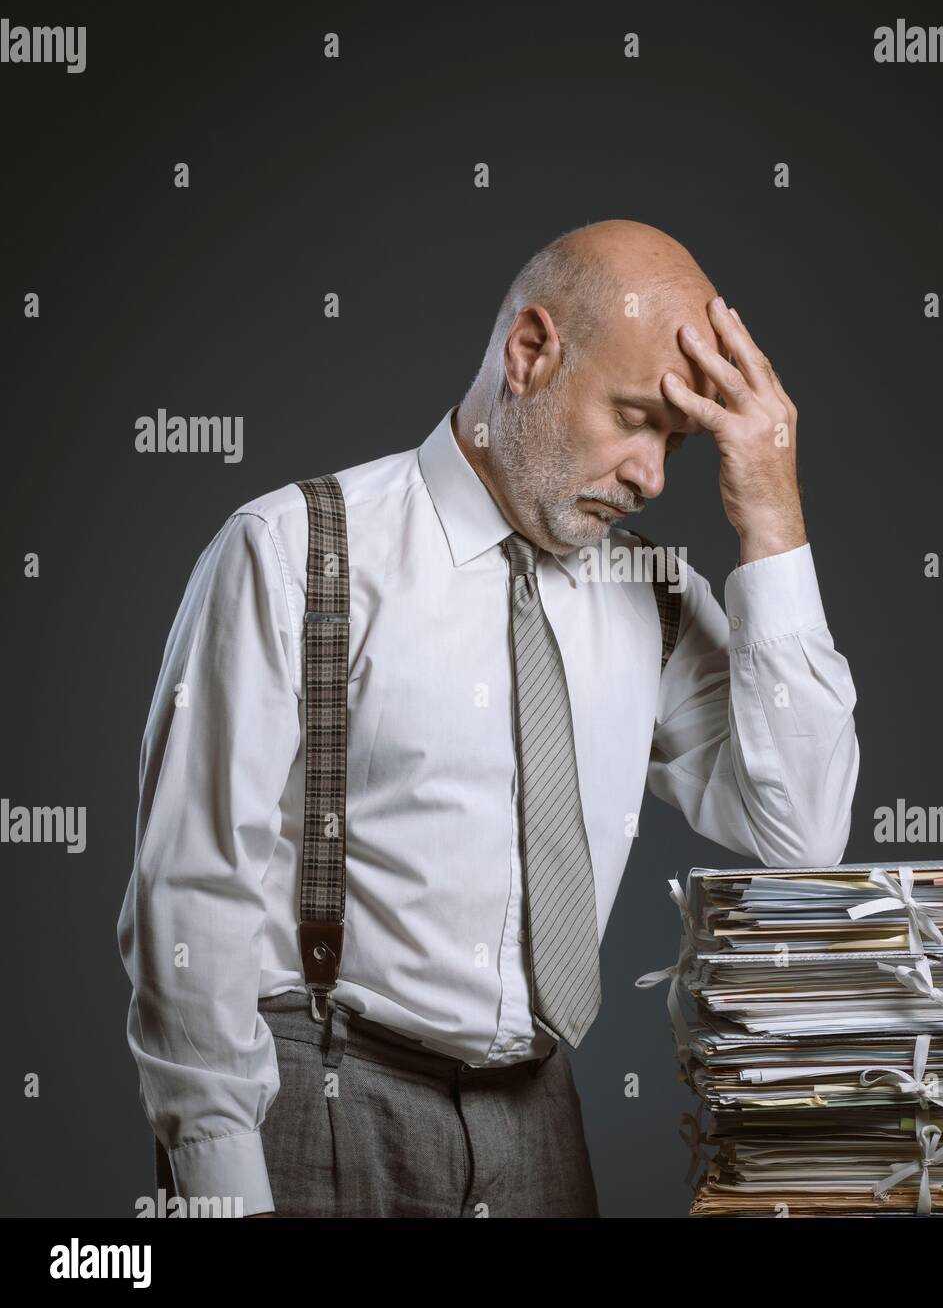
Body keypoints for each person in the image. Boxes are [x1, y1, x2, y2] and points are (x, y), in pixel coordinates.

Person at [116, 218, 861, 1217]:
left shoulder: (651, 590)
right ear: (528, 352)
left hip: (541, 1125)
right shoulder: (294, 549)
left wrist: (770, 510)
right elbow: (190, 893)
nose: (652, 475)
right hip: (317, 1109)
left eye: (677, 442)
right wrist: (216, 1180)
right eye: (636, 416)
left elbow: (802, 837)